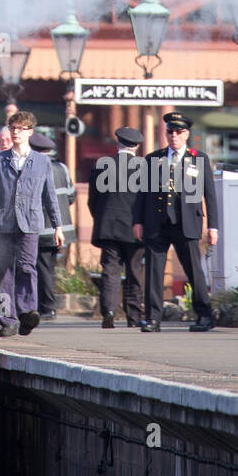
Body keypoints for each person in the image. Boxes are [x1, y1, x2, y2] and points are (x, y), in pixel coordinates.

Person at [0, 111, 63, 338]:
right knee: (3, 272)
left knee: (26, 267)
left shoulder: (42, 162)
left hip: (29, 224)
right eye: (12, 128)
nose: (15, 132)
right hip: (1, 225)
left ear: (30, 132)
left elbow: (50, 196)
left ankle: (27, 313)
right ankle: (7, 320)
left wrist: (58, 226)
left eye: (20, 129)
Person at [133, 111, 218, 332]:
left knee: (194, 271)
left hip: (186, 223)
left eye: (179, 132)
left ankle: (204, 315)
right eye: (170, 132)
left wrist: (213, 226)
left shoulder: (198, 159)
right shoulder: (153, 158)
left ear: (187, 134)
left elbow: (210, 194)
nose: (174, 136)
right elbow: (141, 193)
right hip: (157, 223)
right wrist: (137, 221)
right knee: (154, 272)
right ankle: (153, 319)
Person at [89, 126, 146, 329]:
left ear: (117, 143)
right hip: (135, 229)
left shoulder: (102, 165)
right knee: (134, 272)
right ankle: (134, 316)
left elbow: (93, 200)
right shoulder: (145, 167)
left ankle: (109, 311)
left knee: (110, 271)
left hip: (109, 226)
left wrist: (101, 218)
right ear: (137, 146)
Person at [29, 133, 75, 319]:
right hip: (62, 229)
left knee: (43, 268)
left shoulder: (34, 167)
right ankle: (46, 305)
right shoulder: (62, 168)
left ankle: (47, 307)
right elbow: (71, 196)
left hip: (43, 229)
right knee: (49, 267)